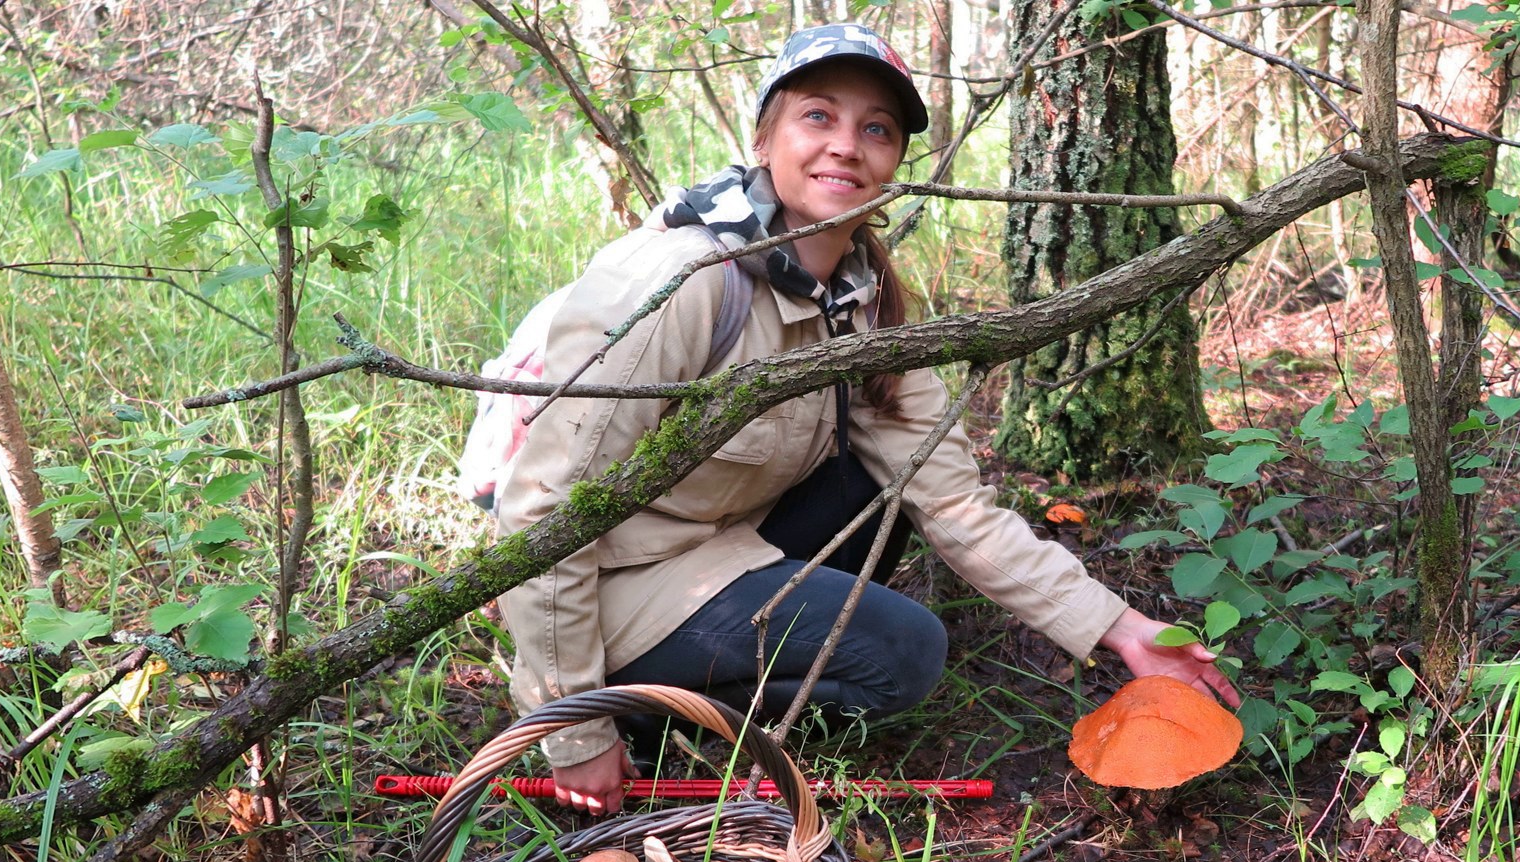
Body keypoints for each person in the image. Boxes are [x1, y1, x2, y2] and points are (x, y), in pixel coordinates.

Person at [496, 24, 1239, 814]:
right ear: (766, 137)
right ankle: (625, 703)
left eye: (875, 129)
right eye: (818, 117)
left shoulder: (861, 303)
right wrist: (570, 731)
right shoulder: (680, 283)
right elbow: (542, 513)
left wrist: (1122, 630)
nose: (846, 146)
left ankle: (687, 690)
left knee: (881, 488)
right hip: (618, 576)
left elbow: (954, 505)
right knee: (904, 653)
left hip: (716, 542)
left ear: (893, 164)